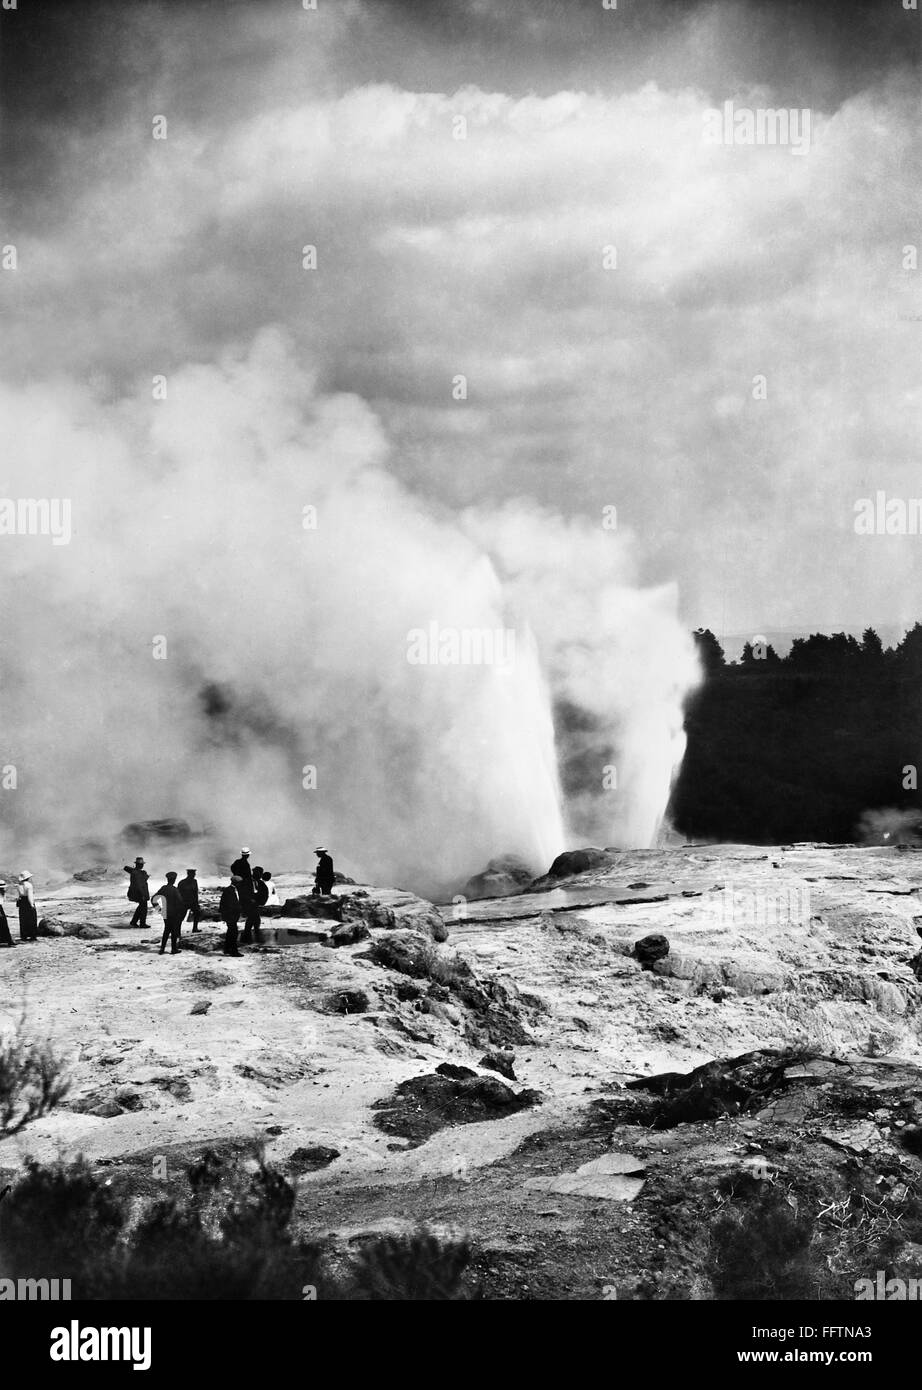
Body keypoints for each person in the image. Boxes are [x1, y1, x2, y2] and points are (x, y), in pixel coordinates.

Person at [152, 871, 185, 955]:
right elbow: (180, 901)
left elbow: (153, 899)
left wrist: (159, 909)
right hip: (174, 913)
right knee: (174, 932)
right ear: (174, 880)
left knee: (166, 930)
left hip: (165, 912)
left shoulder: (164, 888)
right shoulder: (175, 890)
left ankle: (162, 949)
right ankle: (173, 949)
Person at [241, 866, 268, 944]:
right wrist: (249, 900)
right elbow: (243, 893)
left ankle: (249, 938)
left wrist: (261, 902)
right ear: (254, 873)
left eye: (260, 874)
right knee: (252, 920)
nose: (260, 875)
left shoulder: (261, 883)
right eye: (258, 873)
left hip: (256, 905)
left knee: (254, 920)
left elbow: (265, 893)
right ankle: (249, 938)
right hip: (248, 905)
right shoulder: (247, 881)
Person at [219, 875, 243, 957]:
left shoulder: (230, 890)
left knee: (230, 932)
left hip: (230, 915)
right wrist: (238, 908)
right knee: (233, 933)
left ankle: (227, 949)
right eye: (239, 883)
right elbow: (229, 905)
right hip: (230, 915)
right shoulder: (229, 891)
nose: (240, 884)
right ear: (236, 882)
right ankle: (234, 951)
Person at [124, 857, 150, 929]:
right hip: (139, 893)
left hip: (136, 892)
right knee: (143, 907)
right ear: (139, 865)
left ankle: (134, 922)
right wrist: (142, 895)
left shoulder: (136, 872)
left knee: (141, 907)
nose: (142, 865)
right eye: (141, 864)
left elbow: (126, 868)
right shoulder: (137, 873)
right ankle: (142, 923)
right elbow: (139, 885)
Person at [16, 872, 38, 942]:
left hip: (22, 902)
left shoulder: (19, 885)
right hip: (28, 902)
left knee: (23, 918)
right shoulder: (29, 885)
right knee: (32, 918)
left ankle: (24, 936)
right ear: (28, 878)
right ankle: (32, 935)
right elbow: (30, 896)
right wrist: (32, 904)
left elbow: (20, 895)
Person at [0, 881, 13, 947]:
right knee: (3, 925)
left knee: (3, 925)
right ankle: (8, 941)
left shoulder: (1, 893)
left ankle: (6, 940)